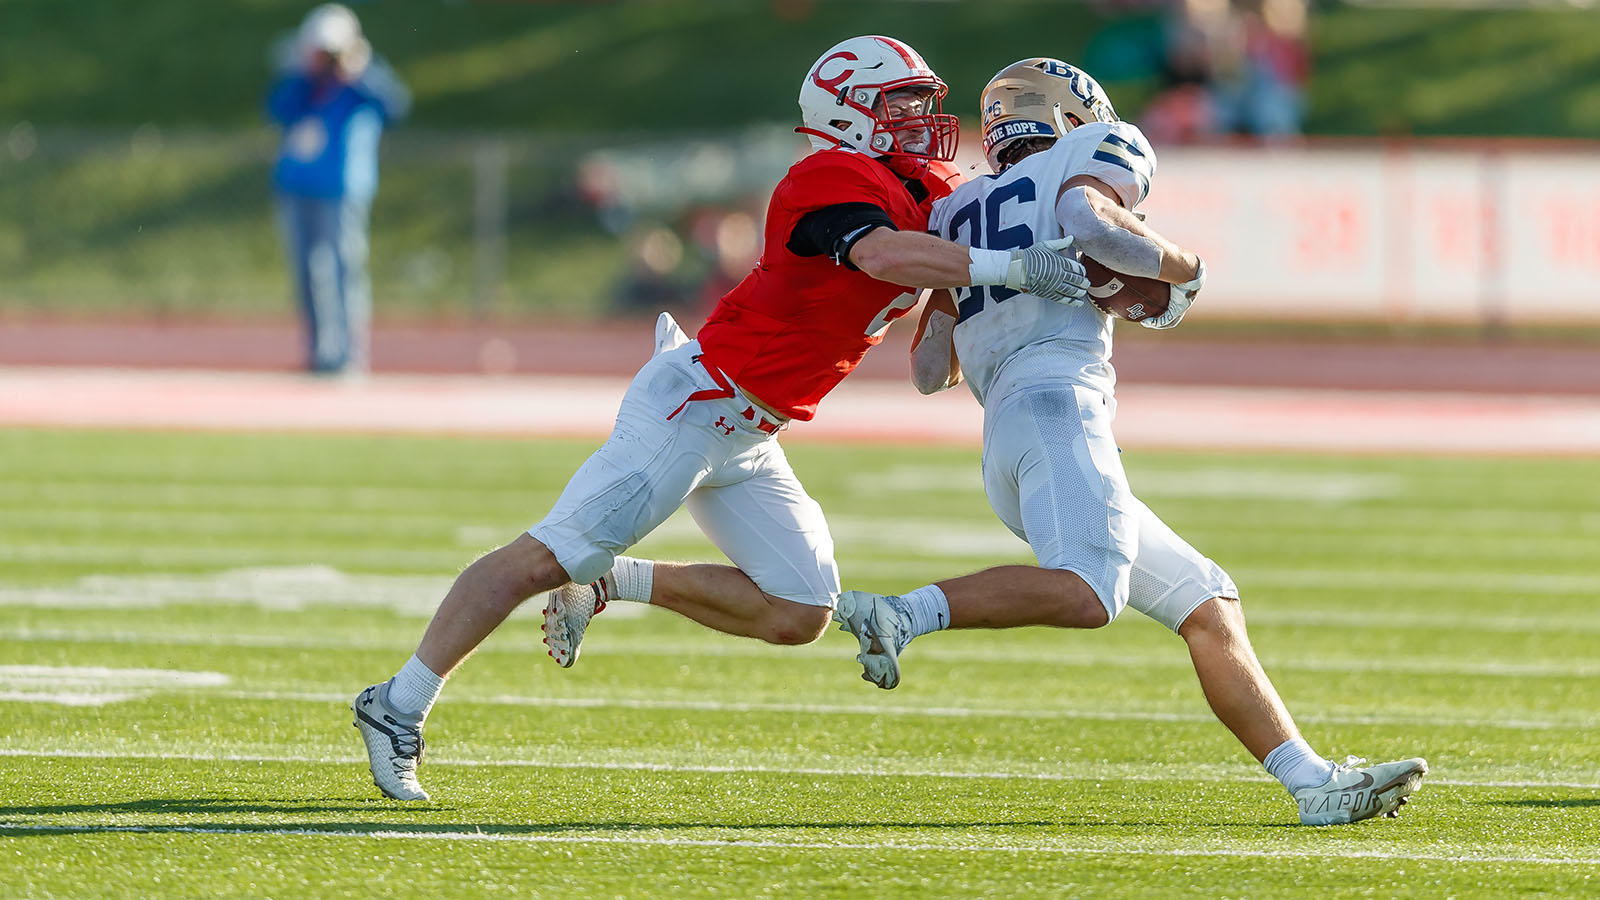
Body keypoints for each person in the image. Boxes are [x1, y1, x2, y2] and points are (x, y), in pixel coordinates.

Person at [351, 35, 1090, 802]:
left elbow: (986, 224)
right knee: (544, 555)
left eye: (921, 101)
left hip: (753, 428)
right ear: (848, 110)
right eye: (898, 101)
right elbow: (881, 257)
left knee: (801, 608)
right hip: (697, 403)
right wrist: (1007, 267)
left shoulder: (928, 182)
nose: (918, 116)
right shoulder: (828, 175)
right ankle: (396, 704)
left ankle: (612, 581)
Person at [833, 57, 1427, 826]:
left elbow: (925, 370)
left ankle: (1313, 783)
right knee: (1089, 593)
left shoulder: (958, 209)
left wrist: (1000, 306)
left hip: (1007, 437)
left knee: (1207, 601)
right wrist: (1184, 269)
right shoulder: (1095, 149)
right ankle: (903, 613)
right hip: (1059, 409)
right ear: (1071, 115)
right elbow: (1088, 223)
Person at [267, 4, 409, 375]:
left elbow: (395, 106)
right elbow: (278, 109)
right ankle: (318, 352)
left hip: (343, 186)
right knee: (306, 273)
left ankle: (349, 355)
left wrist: (359, 72)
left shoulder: (364, 81)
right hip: (297, 185)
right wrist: (305, 72)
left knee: (345, 269)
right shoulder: (303, 82)